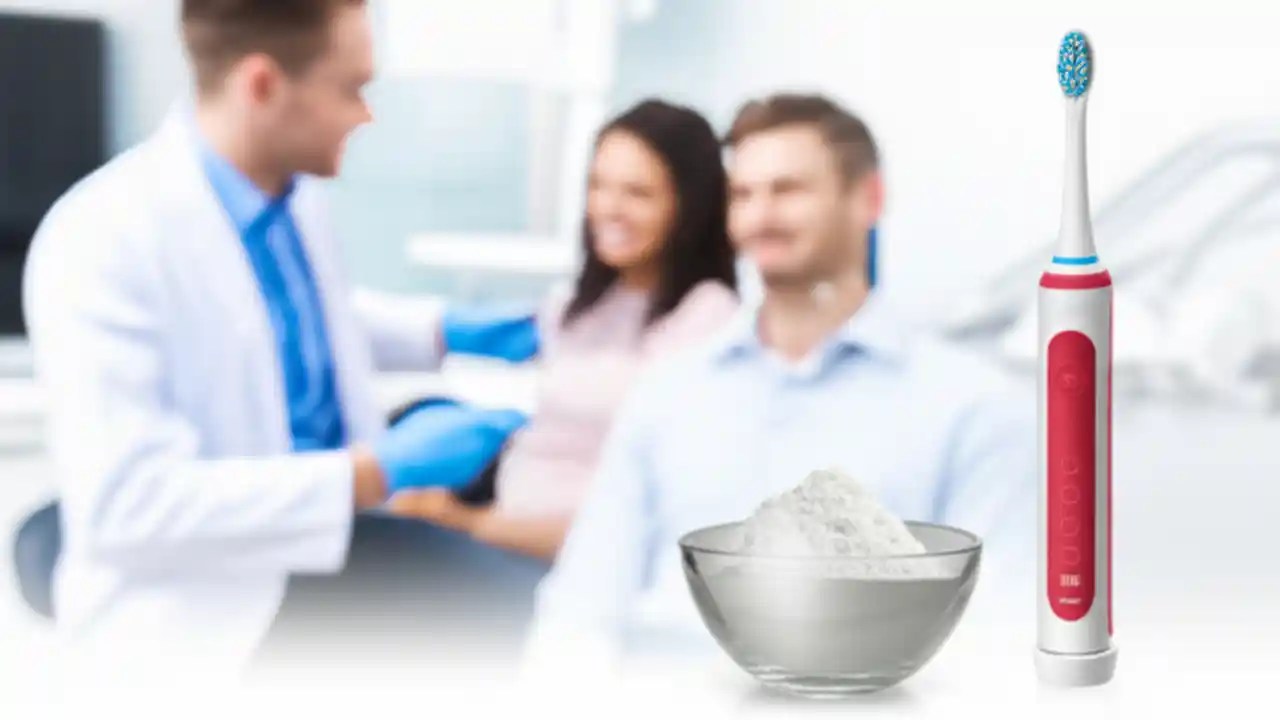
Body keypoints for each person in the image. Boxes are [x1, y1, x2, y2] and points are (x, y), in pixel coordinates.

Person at [21, 0, 536, 672]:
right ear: (262, 84)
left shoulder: (289, 198)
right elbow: (130, 509)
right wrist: (374, 472)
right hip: (210, 601)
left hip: (319, 532)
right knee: (524, 615)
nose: (366, 116)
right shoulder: (103, 239)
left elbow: (289, 328)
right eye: (350, 89)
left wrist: (448, 332)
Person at [523, 94, 1036, 667]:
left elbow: (997, 637)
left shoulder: (973, 409)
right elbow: (582, 607)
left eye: (788, 190)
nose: (761, 216)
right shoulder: (668, 395)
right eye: (744, 195)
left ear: (868, 198)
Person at [389, 100, 739, 560]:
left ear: (689, 206)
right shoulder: (575, 308)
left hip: (569, 560)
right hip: (505, 538)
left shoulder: (707, 318)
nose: (609, 208)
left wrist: (467, 522)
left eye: (637, 193)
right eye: (598, 185)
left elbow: (655, 514)